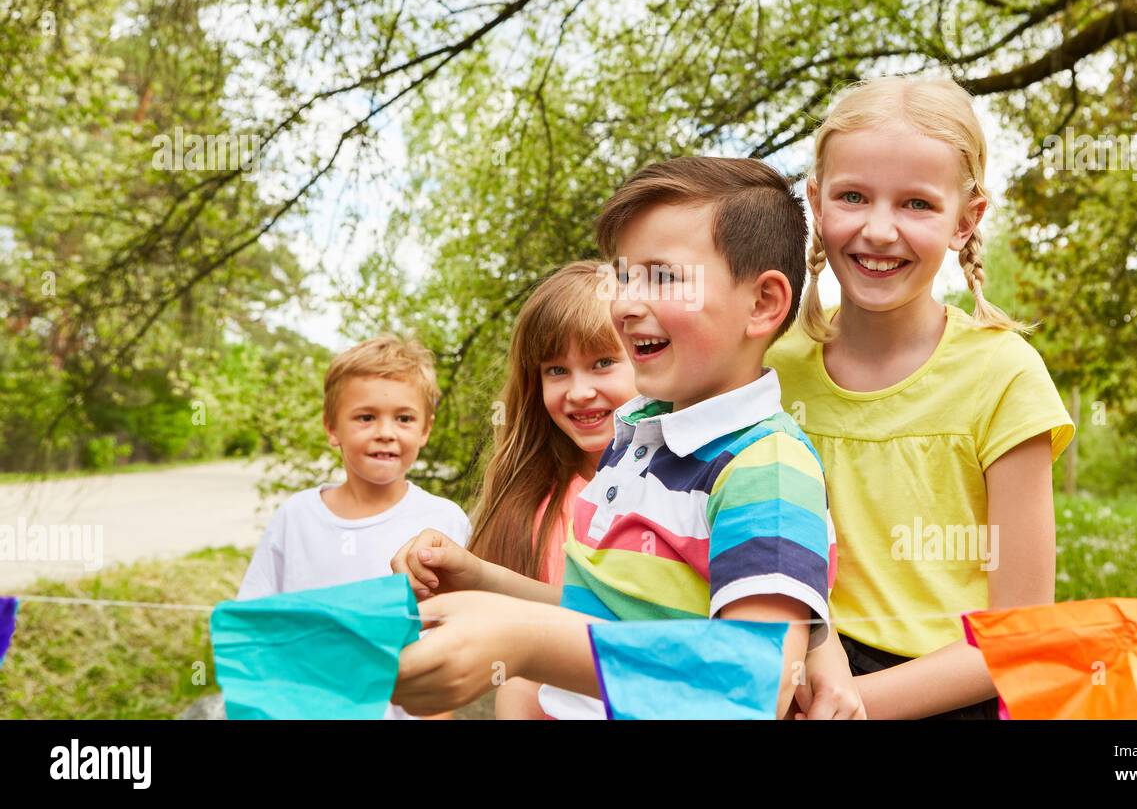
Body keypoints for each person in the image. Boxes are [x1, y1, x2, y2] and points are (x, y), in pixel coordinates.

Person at [389, 157, 860, 719]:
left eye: (662, 277)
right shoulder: (634, 439)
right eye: (625, 276)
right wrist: (477, 581)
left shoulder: (768, 467)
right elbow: (605, 618)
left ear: (762, 304)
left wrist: (523, 641)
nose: (628, 304)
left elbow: (754, 676)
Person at [765, 76, 1075, 719]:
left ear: (967, 220)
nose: (880, 230)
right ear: (816, 202)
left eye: (916, 205)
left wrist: (854, 704)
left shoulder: (1004, 377)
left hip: (941, 694)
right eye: (853, 196)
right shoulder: (770, 367)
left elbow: (1019, 631)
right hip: (792, 676)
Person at [237, 334, 471, 720]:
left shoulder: (445, 521)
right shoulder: (295, 518)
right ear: (332, 428)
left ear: (426, 430)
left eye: (404, 418)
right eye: (366, 417)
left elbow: (455, 643)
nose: (386, 432)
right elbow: (257, 625)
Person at [467, 261, 637, 718]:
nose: (579, 391)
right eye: (557, 370)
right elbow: (521, 669)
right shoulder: (534, 511)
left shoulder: (681, 493)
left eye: (603, 363)